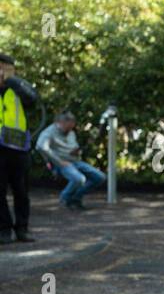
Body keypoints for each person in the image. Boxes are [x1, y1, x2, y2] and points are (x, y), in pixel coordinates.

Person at [0, 52, 37, 242]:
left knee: (21, 191)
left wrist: (12, 82)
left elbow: (33, 99)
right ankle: (4, 230)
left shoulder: (19, 88)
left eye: (4, 69)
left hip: (18, 148)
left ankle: (22, 229)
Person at [36, 111, 106, 210]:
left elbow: (73, 147)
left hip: (75, 161)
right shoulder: (49, 132)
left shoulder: (71, 133)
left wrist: (77, 151)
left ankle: (75, 198)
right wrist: (58, 161)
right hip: (62, 163)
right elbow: (40, 146)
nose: (71, 129)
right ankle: (65, 198)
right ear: (61, 122)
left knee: (100, 177)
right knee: (79, 179)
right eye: (69, 126)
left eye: (72, 126)